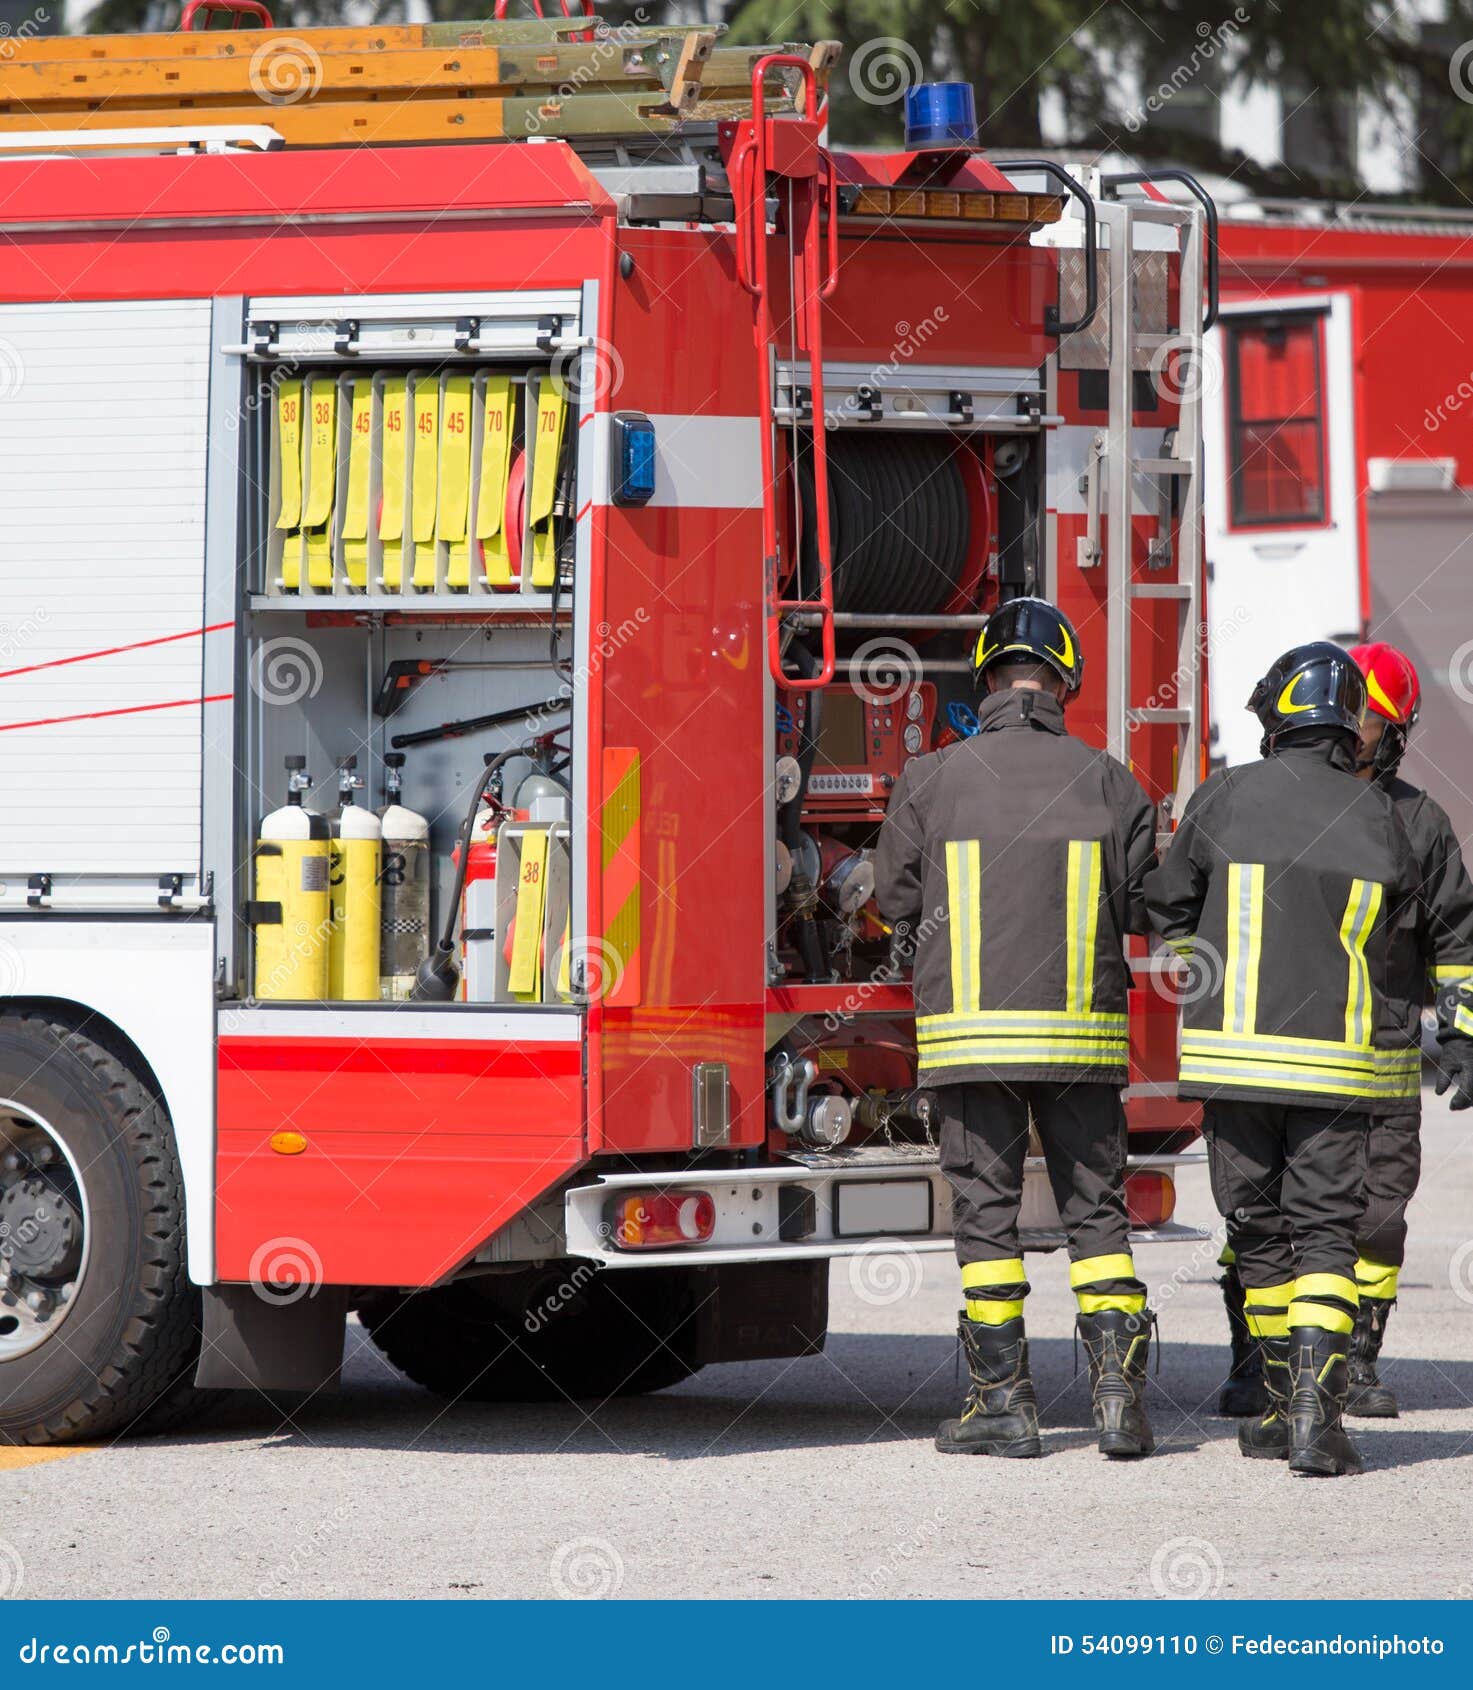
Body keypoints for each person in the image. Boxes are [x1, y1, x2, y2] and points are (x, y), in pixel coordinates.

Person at [1145, 641, 1473, 1477]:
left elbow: (1165, 904)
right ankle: (1308, 1417)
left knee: (1268, 1232)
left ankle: (1291, 1396)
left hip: (1245, 1066)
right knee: (1324, 1236)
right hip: (1338, 1070)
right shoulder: (1384, 822)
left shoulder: (1224, 795)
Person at [874, 595, 1159, 1460]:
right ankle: (1116, 1398)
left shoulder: (929, 777)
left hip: (970, 1045)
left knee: (987, 1218)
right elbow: (1143, 904)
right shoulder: (1109, 779)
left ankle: (1003, 1403)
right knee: (1095, 1214)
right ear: (1063, 681)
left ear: (987, 676)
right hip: (1081, 1043)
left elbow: (893, 902)